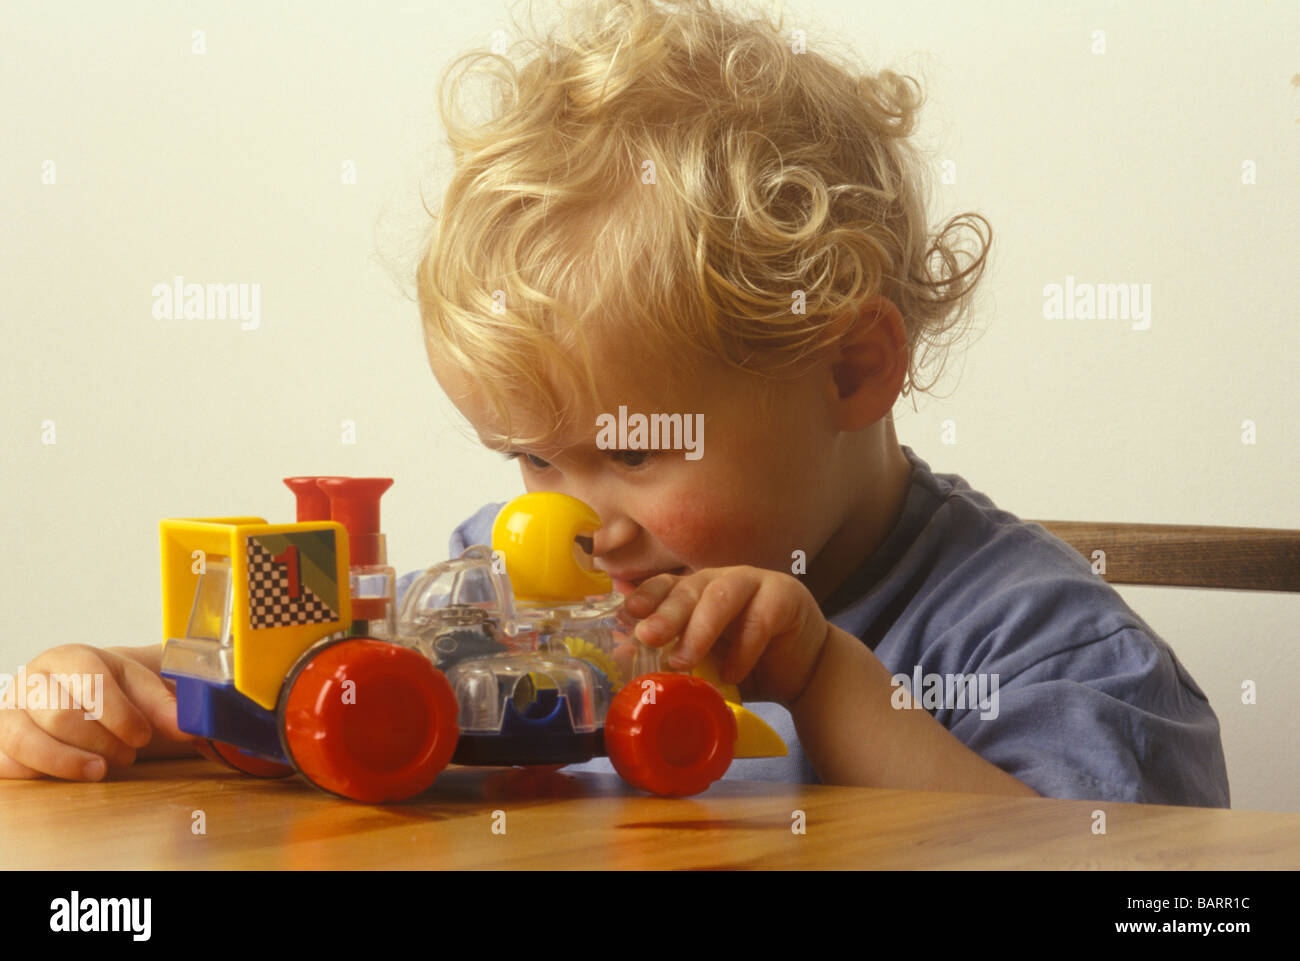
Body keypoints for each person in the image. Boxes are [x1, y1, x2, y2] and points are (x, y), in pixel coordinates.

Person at [0, 0, 1229, 806]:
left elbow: (1101, 876)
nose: (564, 522)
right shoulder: (528, 588)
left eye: (630, 452)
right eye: (532, 460)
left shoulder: (1047, 653)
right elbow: (349, 703)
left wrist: (817, 672)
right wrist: (124, 691)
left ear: (851, 371)